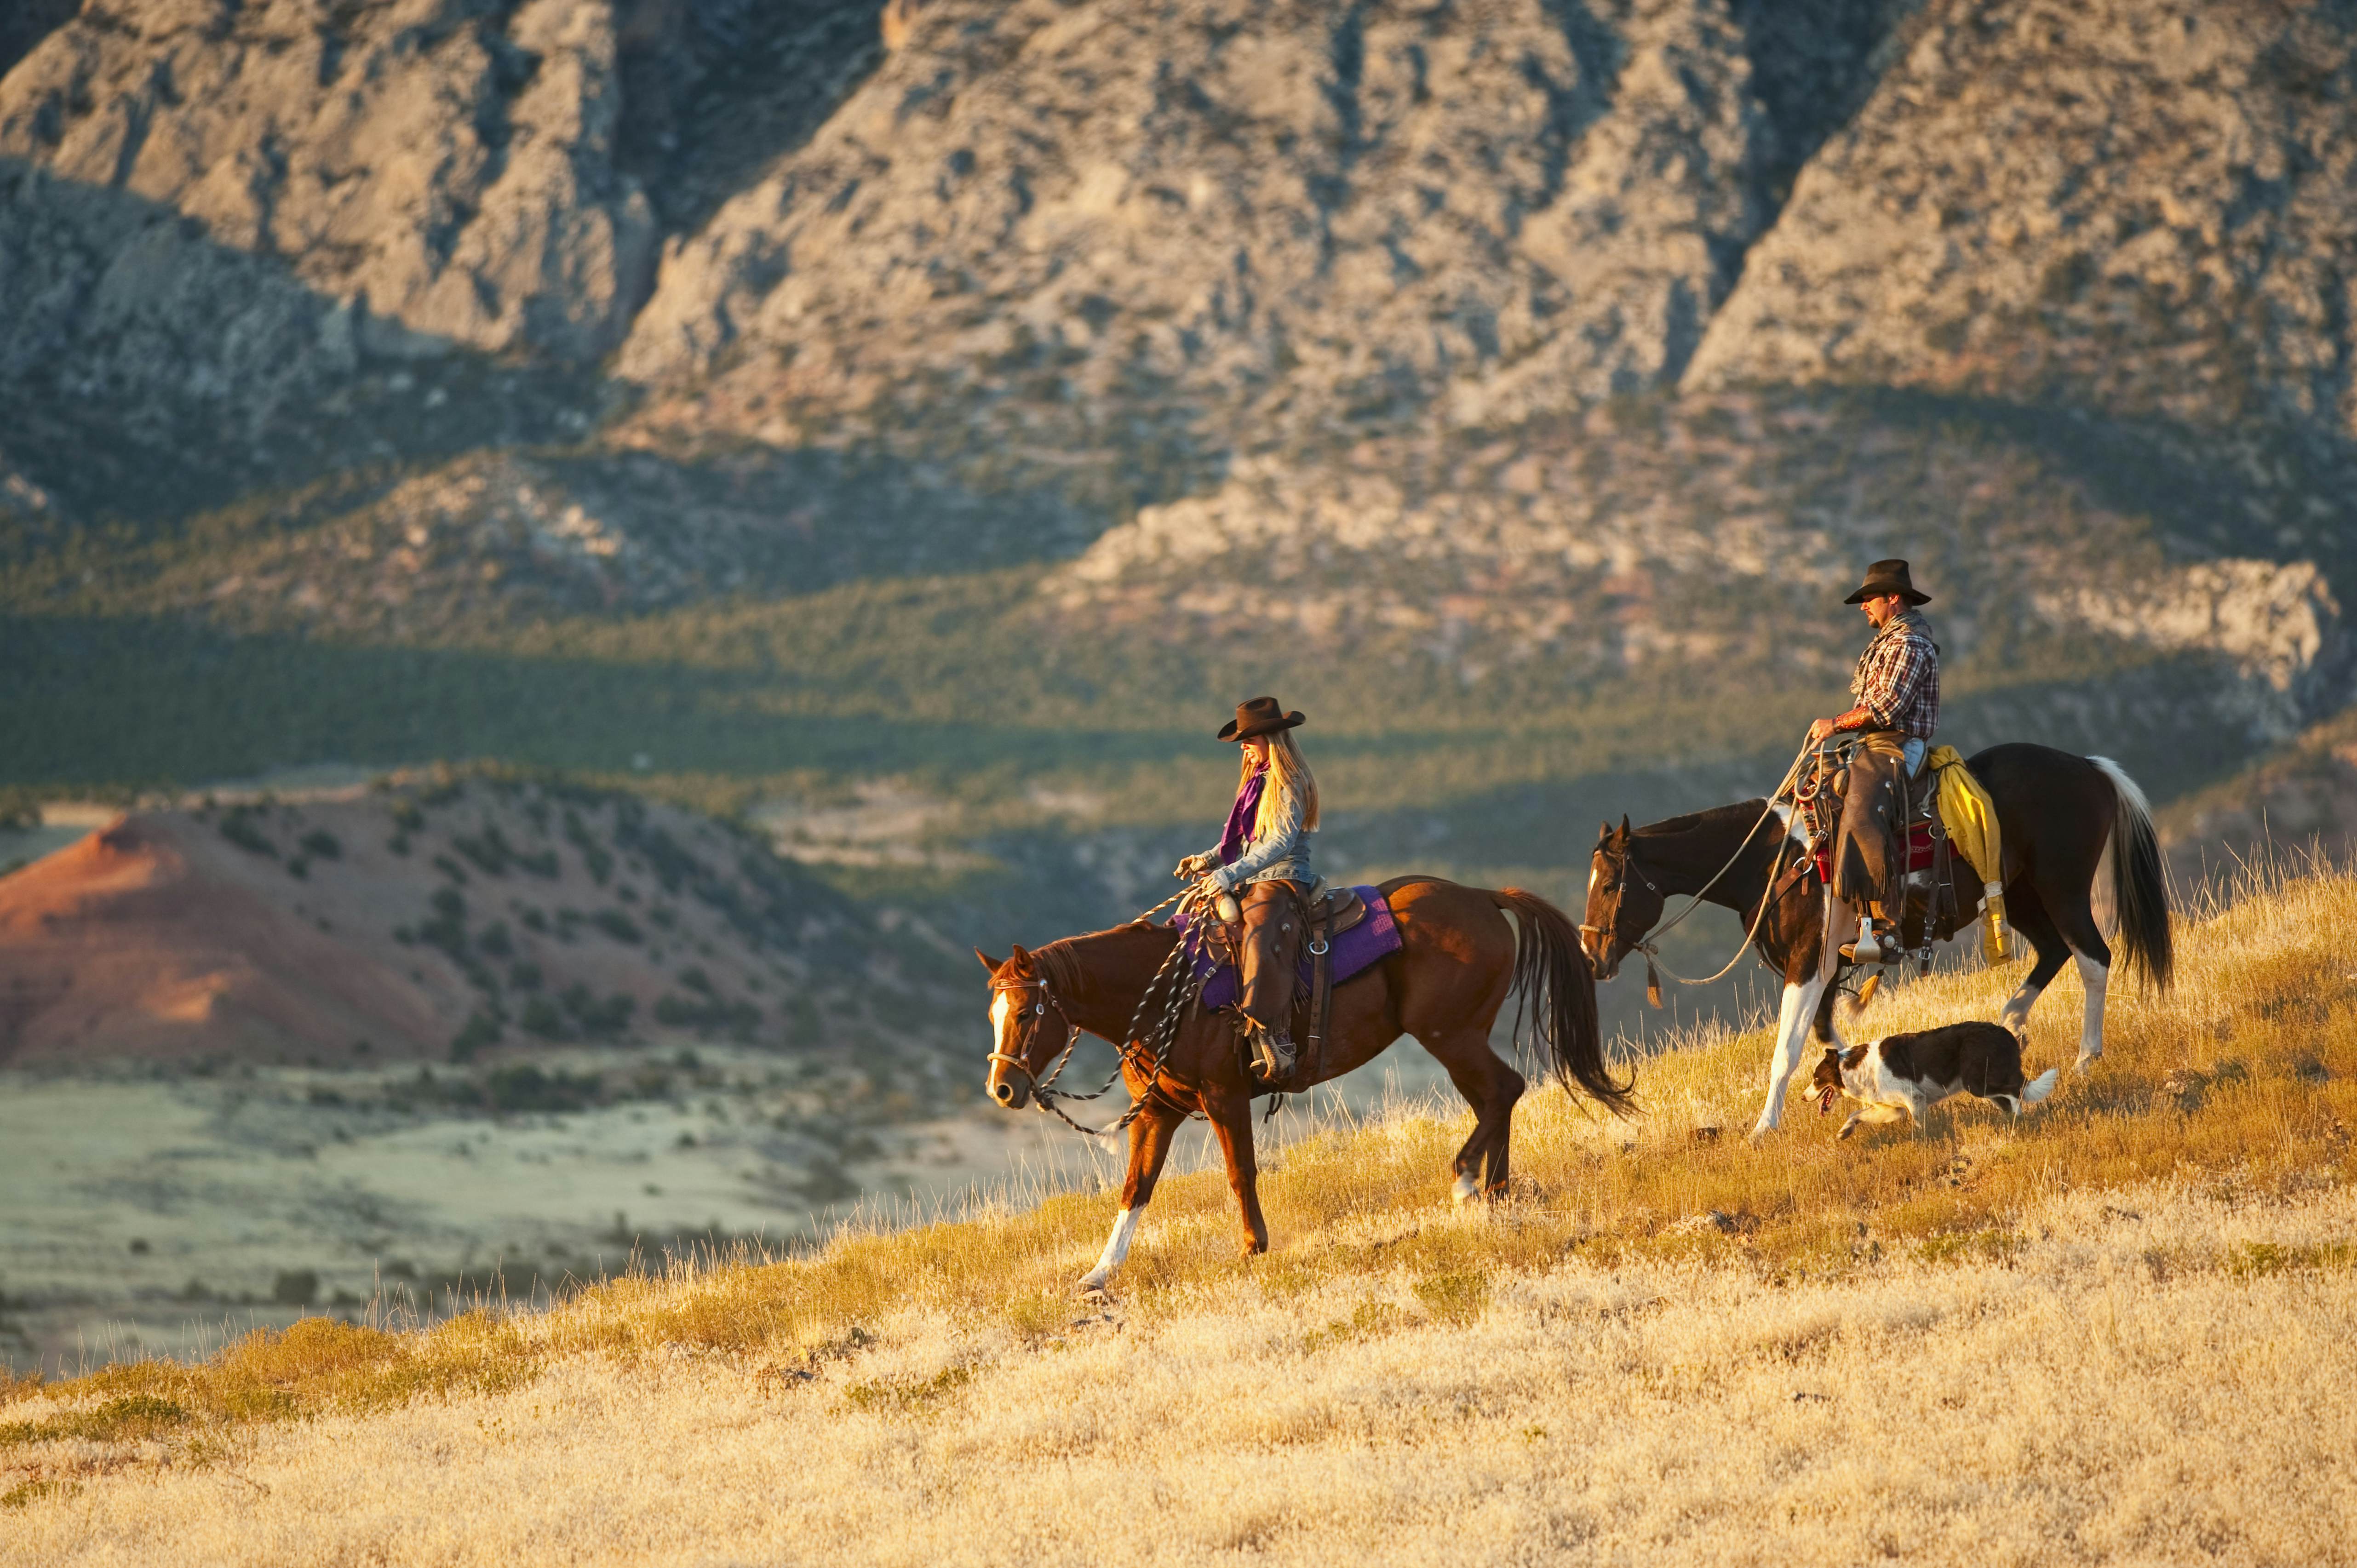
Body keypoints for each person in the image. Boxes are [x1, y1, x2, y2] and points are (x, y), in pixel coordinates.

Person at [1174, 696, 1321, 1081]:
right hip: (1254, 876)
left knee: (1258, 934)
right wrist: (1208, 860)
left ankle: (1271, 1037)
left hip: (1284, 877)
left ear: (1270, 739)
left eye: (1249, 739)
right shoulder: (1258, 782)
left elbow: (1280, 844)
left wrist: (1226, 877)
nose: (1243, 746)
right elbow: (1245, 840)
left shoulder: (1288, 780)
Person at [1807, 559, 1941, 965]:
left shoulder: (1908, 643)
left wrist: (1835, 723)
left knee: (1862, 811)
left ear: (1893, 598)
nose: (1864, 606)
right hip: (1874, 742)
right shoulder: (1890, 640)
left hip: (1896, 743)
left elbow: (1887, 706)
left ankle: (1885, 929)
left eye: (1869, 598)